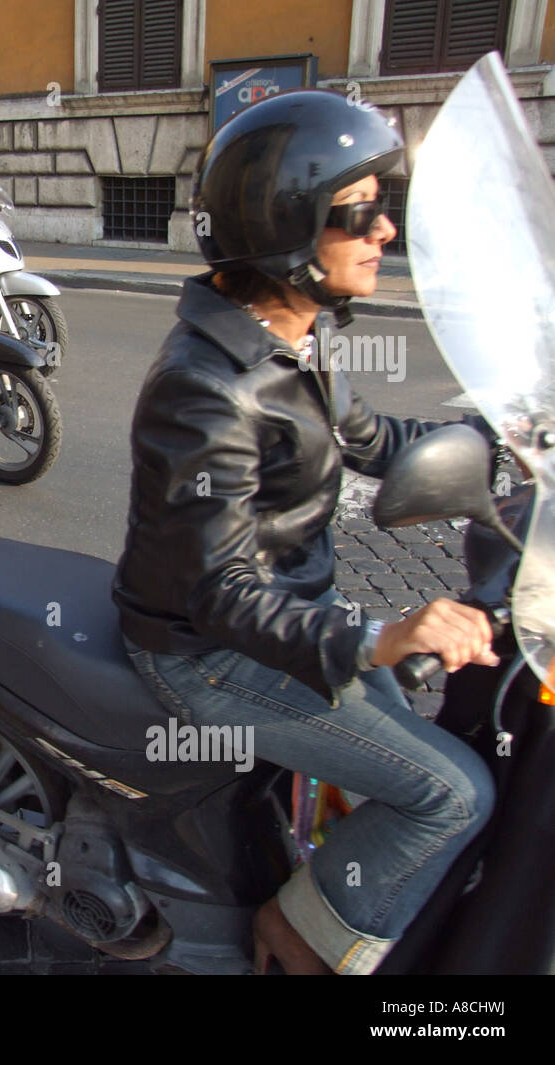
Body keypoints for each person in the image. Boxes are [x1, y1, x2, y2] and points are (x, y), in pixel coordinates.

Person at [112, 90, 499, 975]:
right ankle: (296, 937)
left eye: (384, 209)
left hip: (293, 616)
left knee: (422, 762)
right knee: (453, 793)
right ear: (287, 223)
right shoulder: (205, 388)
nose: (385, 232)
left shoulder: (293, 334)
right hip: (207, 653)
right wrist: (379, 636)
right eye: (360, 212)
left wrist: (506, 450)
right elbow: (216, 591)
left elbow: (374, 441)